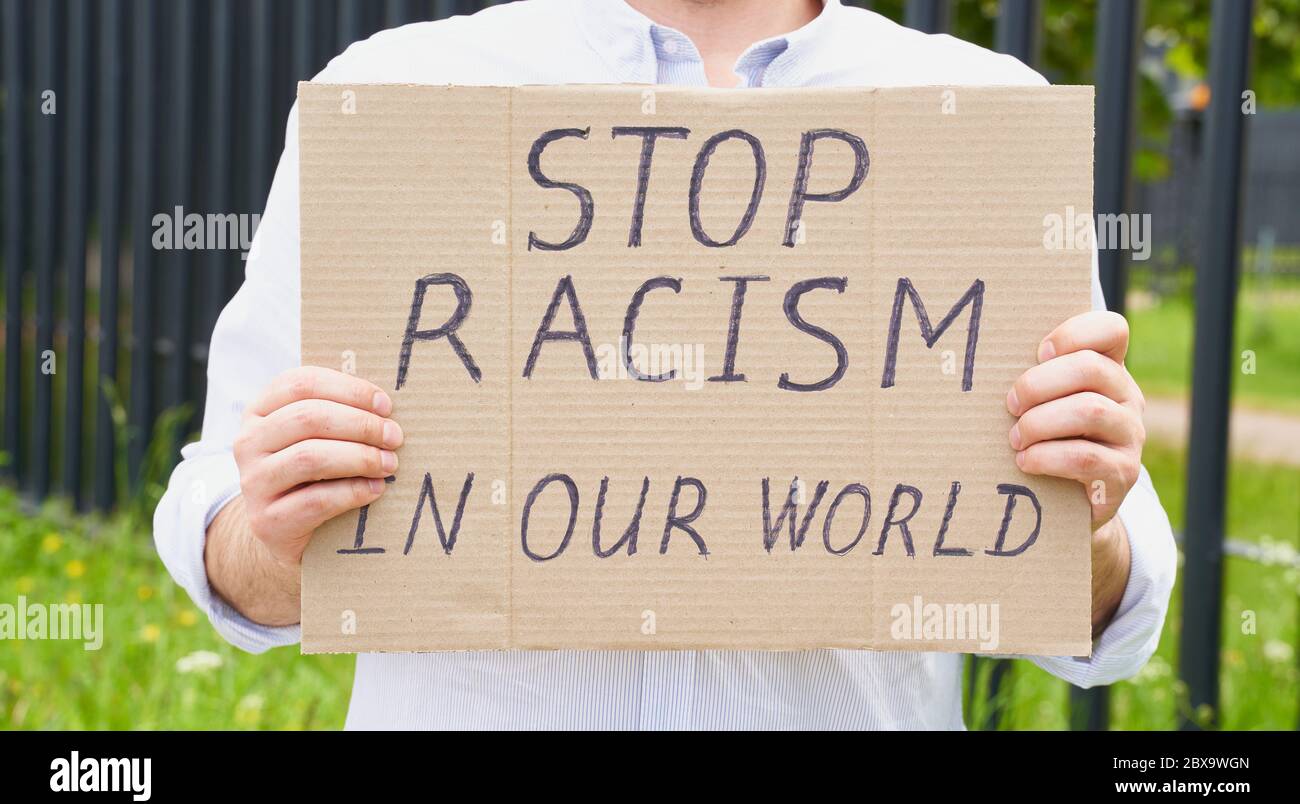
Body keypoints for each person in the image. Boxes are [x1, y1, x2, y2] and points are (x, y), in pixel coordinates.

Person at [155, 0, 1176, 729]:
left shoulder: (976, 115)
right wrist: (275, 526)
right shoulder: (391, 96)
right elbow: (218, 524)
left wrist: (1082, 499)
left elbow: (1107, 614)